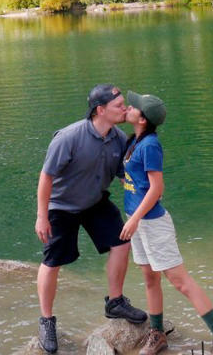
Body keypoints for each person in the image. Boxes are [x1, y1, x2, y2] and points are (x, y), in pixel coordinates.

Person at [120, 91, 213, 355]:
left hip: (151, 223)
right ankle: (157, 334)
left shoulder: (150, 145)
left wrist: (135, 219)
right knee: (150, 279)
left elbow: (156, 188)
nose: (129, 107)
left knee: (180, 282)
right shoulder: (135, 141)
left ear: (143, 119)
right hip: (138, 222)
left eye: (134, 106)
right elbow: (137, 182)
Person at [34, 84, 148, 353]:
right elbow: (46, 176)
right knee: (52, 261)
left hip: (95, 201)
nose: (124, 109)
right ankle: (46, 320)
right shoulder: (69, 137)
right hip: (61, 206)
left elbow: (125, 175)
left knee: (122, 242)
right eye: (118, 105)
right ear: (100, 110)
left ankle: (115, 302)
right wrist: (42, 216)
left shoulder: (118, 138)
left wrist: (145, 196)